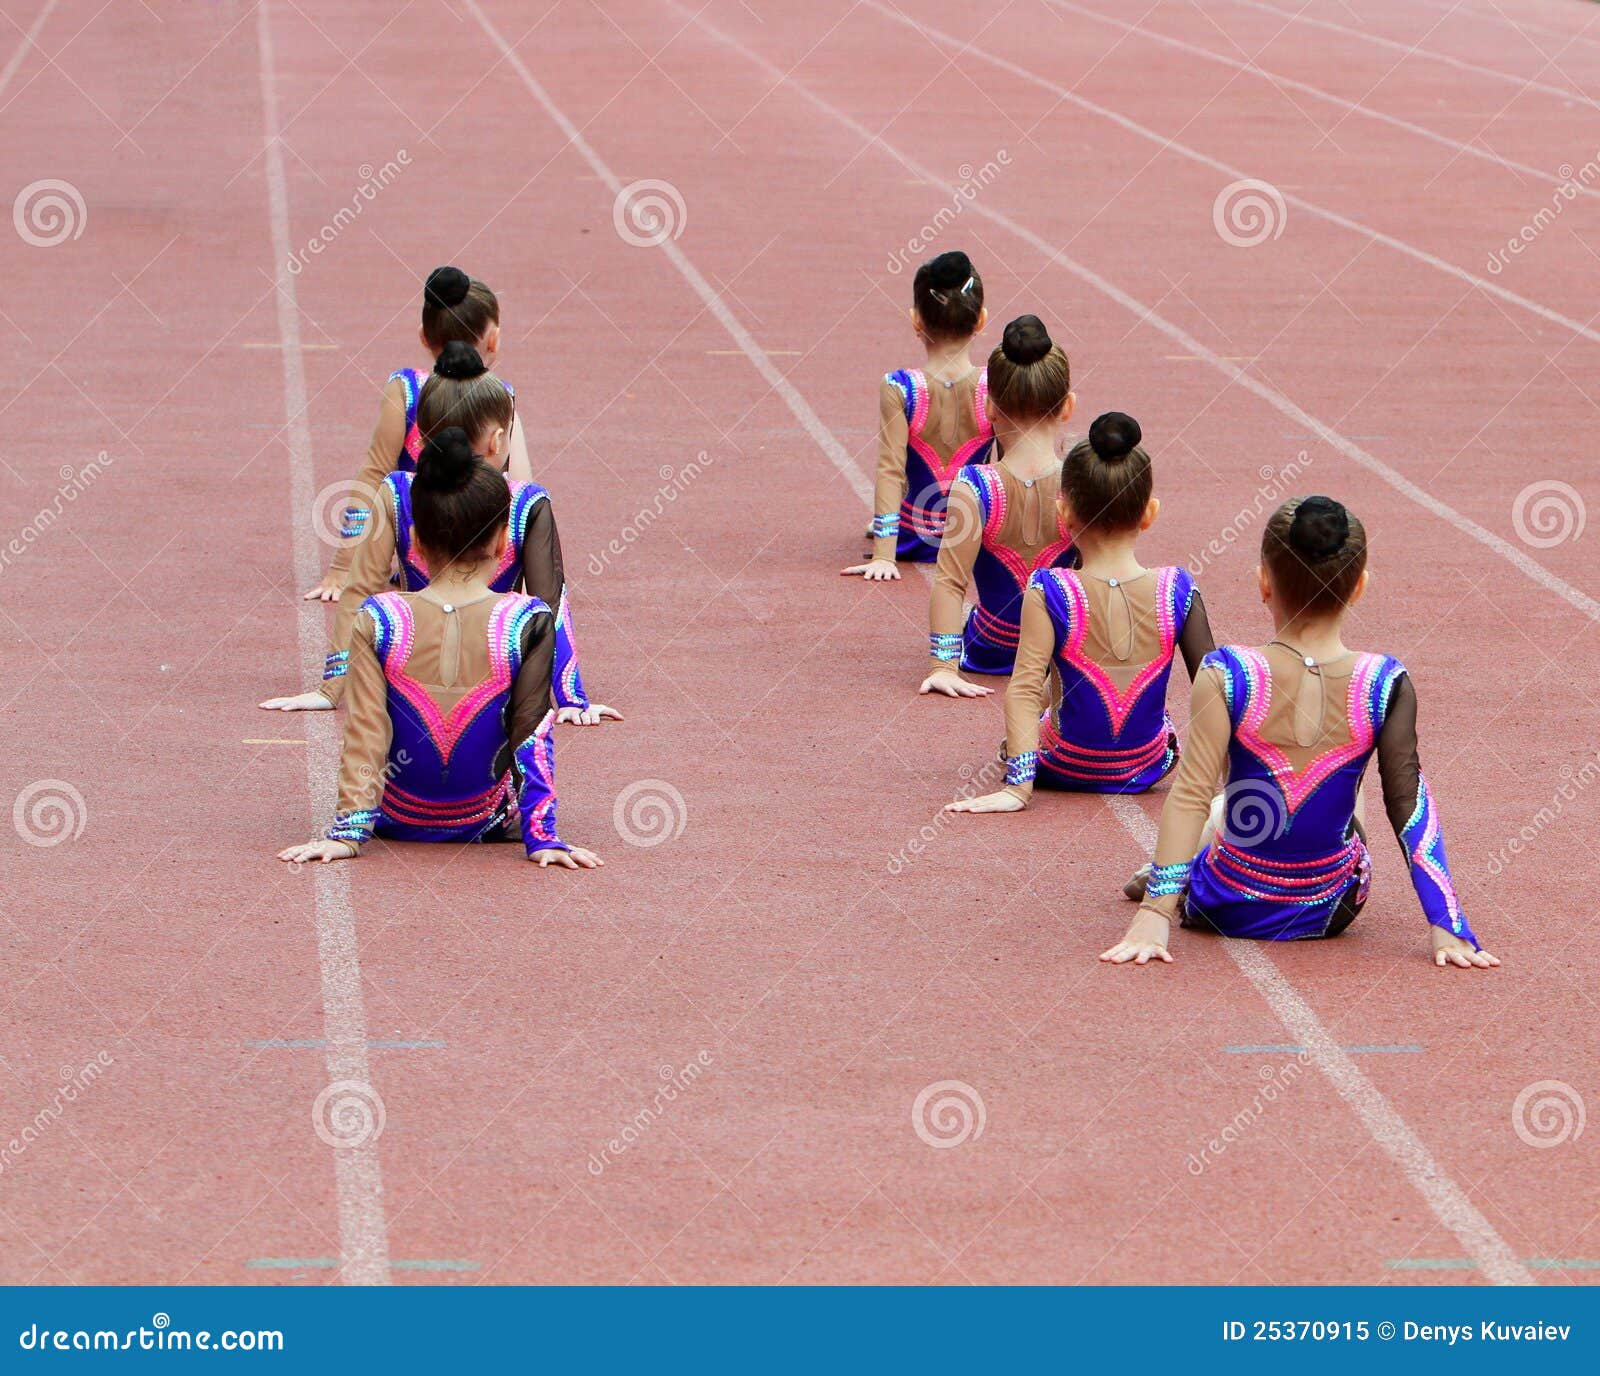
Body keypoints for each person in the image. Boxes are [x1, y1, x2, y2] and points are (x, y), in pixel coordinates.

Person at [1102, 496, 1496, 969]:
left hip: (1223, 903)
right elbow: (1408, 801)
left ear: (1263, 582)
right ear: (1359, 588)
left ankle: (1172, 874)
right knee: (1354, 774)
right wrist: (1447, 922)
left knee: (1224, 798)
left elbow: (1188, 793)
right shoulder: (1384, 681)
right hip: (1328, 907)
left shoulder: (1226, 672)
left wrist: (1154, 914)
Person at [277, 440, 599, 869]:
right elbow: (531, 730)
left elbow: (366, 730)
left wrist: (349, 833)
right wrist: (542, 836)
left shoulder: (379, 617)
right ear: (504, 540)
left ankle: (355, 822)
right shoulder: (528, 620)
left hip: (392, 818)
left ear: (415, 542)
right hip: (487, 820)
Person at [945, 412, 1213, 810]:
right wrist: (1211, 782)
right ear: (1149, 513)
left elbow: (1022, 688)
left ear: (1064, 513)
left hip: (1063, 764)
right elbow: (1212, 687)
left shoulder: (1049, 588)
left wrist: (1017, 788)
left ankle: (1022, 758)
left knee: (1042, 701)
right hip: (1149, 764)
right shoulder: (1177, 588)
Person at [920, 314, 1077, 697]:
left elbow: (950, 581)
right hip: (1060, 654)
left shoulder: (974, 486)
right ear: (1067, 407)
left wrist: (944, 666)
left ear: (989, 407)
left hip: (991, 651)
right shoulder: (1079, 480)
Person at [841, 250, 992, 579]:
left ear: (916, 321)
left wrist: (885, 555)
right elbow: (1009, 470)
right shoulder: (994, 386)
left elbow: (890, 470)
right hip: (973, 540)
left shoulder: (900, 388)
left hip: (913, 539)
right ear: (981, 320)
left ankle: (890, 528)